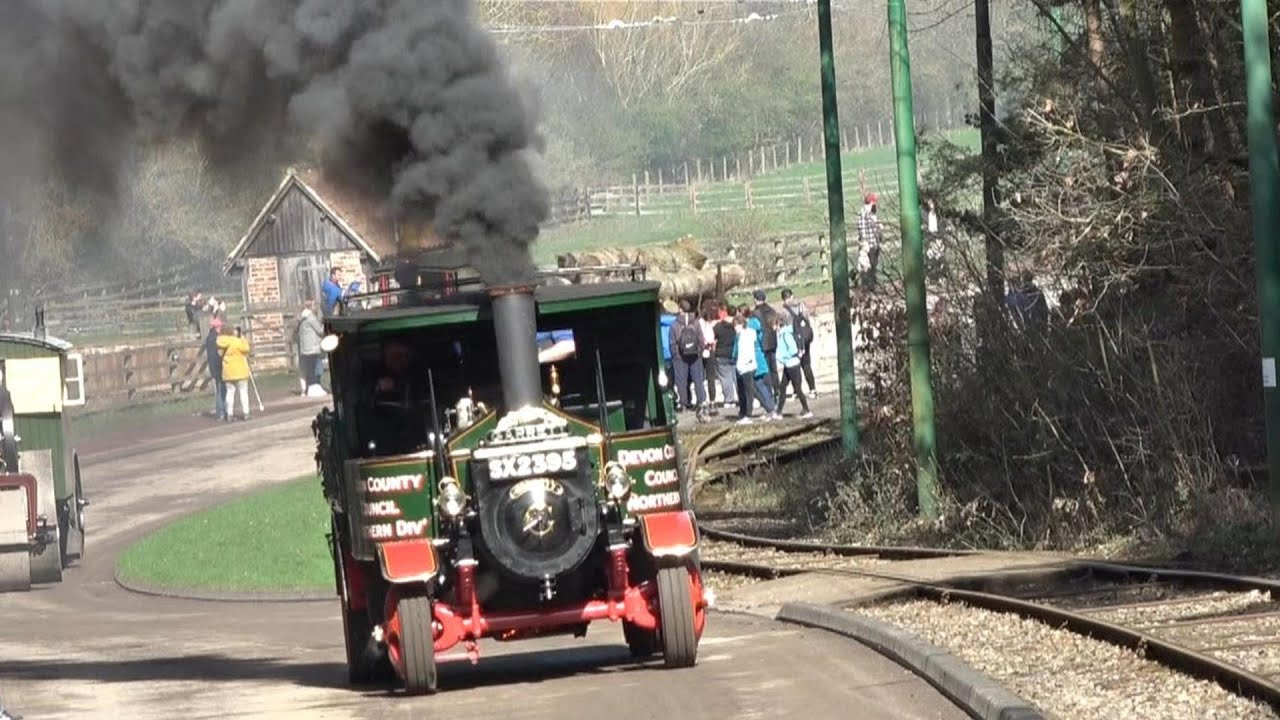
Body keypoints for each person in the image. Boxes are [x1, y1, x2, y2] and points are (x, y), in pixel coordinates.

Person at [732, 312, 776, 424]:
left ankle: (748, 415)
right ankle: (770, 409)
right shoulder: (753, 333)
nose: (734, 328)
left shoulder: (741, 336)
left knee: (749, 391)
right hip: (754, 364)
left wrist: (738, 364)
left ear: (740, 324)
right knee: (755, 389)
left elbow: (740, 352)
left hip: (746, 366)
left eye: (735, 326)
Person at [669, 300, 707, 416]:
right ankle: (701, 402)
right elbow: (701, 339)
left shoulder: (675, 324)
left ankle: (684, 404)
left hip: (680, 357)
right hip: (695, 355)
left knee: (681, 381)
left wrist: (676, 355)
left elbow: (672, 343)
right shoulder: (695, 322)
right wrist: (700, 351)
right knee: (698, 379)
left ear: (680, 309)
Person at [780, 288, 817, 398]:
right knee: (806, 364)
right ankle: (812, 389)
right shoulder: (801, 306)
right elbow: (806, 319)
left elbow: (784, 325)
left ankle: (797, 390)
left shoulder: (784, 311)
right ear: (792, 296)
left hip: (793, 340)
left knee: (794, 366)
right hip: (805, 339)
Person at [773, 315, 813, 418]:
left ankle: (806, 410)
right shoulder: (785, 333)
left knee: (797, 388)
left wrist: (782, 357)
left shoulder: (785, 335)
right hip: (789, 365)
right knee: (783, 388)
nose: (774, 328)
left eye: (775, 325)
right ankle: (778, 412)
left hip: (792, 364)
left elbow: (793, 350)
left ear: (779, 324)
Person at [216, 324, 253, 422]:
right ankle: (246, 413)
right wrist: (242, 337)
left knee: (230, 393)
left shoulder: (221, 342)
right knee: (243, 392)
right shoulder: (237, 341)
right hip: (240, 370)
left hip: (228, 371)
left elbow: (220, 354)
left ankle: (229, 414)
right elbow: (246, 348)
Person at [750, 290, 782, 397]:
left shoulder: (755, 313)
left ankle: (769, 392)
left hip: (762, 343)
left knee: (766, 369)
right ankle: (777, 389)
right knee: (773, 368)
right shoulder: (772, 310)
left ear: (755, 299)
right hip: (772, 341)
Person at [296, 299, 325, 395]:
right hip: (313, 346)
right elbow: (320, 330)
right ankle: (314, 388)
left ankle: (309, 388)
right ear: (311, 307)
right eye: (314, 305)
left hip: (305, 347)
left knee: (309, 367)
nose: (315, 307)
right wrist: (325, 325)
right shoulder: (311, 317)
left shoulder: (301, 317)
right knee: (314, 367)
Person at [711, 306, 737, 409]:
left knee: (725, 378)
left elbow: (712, 338)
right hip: (735, 353)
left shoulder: (718, 326)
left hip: (721, 354)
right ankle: (743, 397)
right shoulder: (737, 325)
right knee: (737, 377)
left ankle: (729, 400)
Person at [858, 192, 884, 290]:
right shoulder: (864, 213)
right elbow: (863, 229)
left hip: (875, 243)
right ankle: (867, 286)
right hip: (868, 244)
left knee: (873, 265)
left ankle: (872, 285)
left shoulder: (871, 213)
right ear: (871, 202)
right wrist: (864, 242)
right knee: (867, 267)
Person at [699, 302, 720, 413]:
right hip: (709, 350)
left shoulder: (697, 324)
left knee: (700, 377)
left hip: (700, 351)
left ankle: (702, 400)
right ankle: (712, 401)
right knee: (711, 377)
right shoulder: (711, 325)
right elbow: (712, 339)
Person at [204, 317, 227, 421]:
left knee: (220, 389)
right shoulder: (216, 339)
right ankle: (221, 412)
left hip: (213, 366)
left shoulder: (209, 337)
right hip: (218, 366)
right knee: (221, 390)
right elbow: (217, 354)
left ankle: (222, 412)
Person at [659, 301, 679, 409]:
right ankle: (675, 396)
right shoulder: (675, 322)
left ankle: (671, 396)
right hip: (674, 352)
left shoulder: (658, 322)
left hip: (663, 354)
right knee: (674, 378)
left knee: (665, 380)